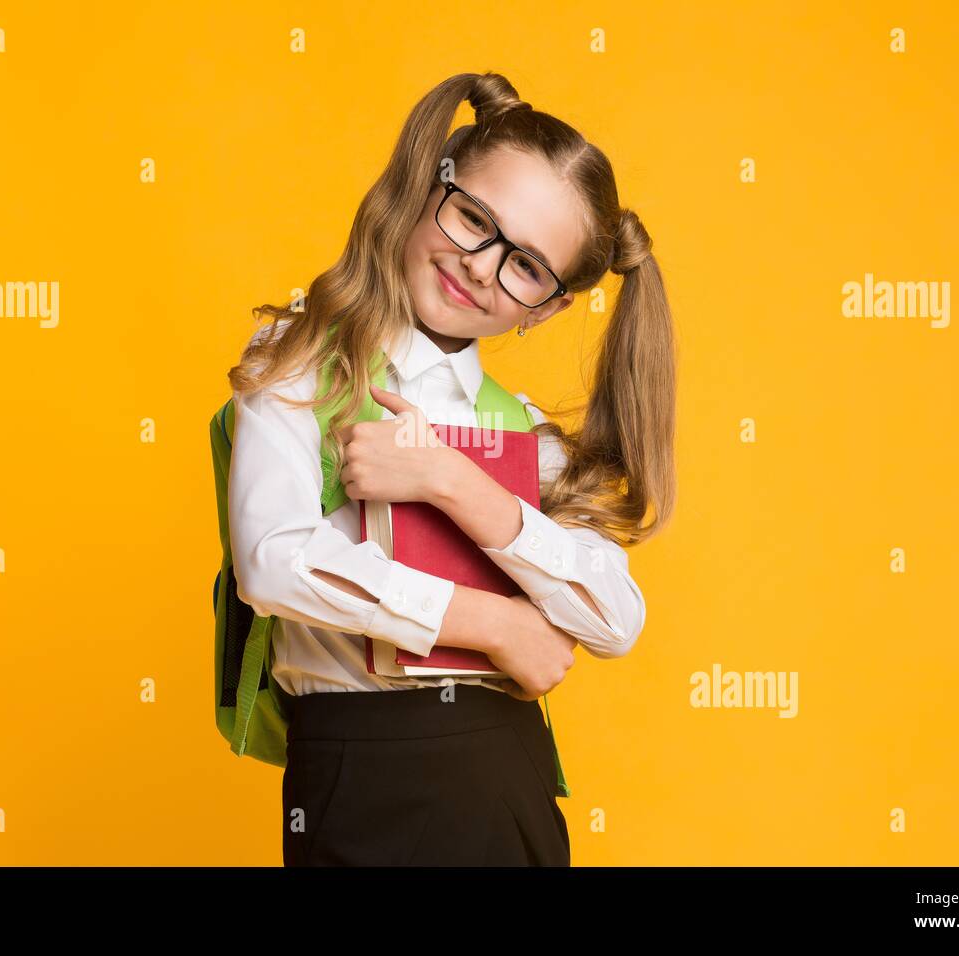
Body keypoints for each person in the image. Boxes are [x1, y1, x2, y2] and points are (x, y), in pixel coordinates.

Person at [225, 71, 677, 866]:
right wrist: (494, 622)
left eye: (526, 265)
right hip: (352, 769)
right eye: (474, 219)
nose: (479, 266)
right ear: (431, 183)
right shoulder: (299, 360)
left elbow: (616, 620)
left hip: (503, 780)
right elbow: (272, 564)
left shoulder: (527, 433)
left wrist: (449, 481)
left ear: (546, 306)